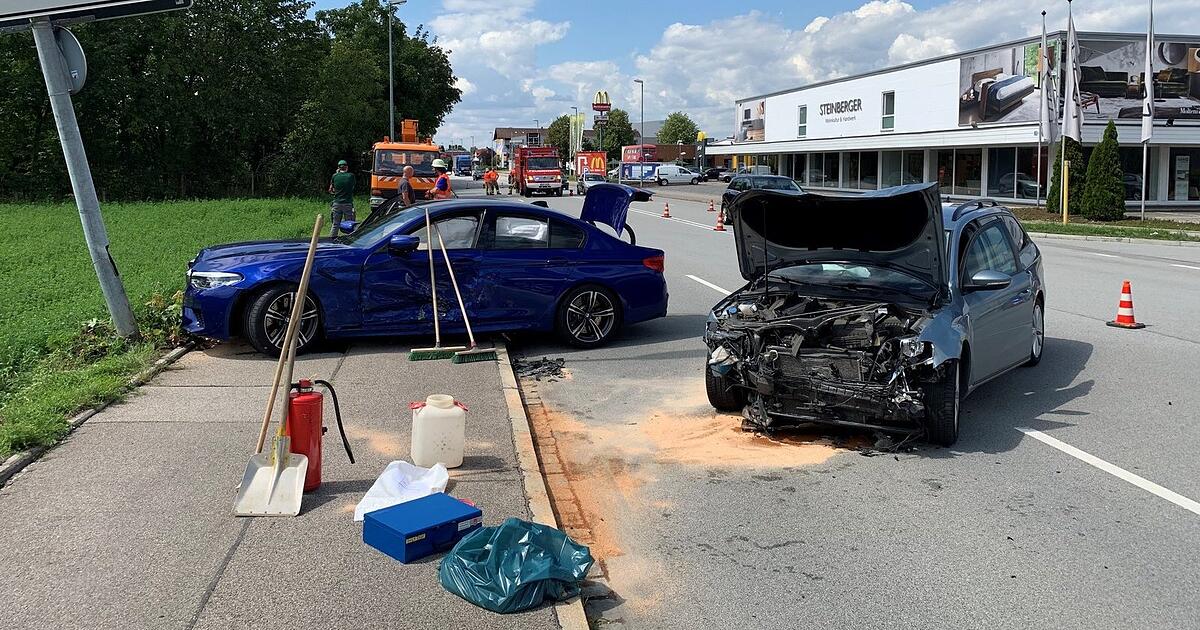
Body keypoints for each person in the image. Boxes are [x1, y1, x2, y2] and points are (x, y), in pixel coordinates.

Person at [328, 159, 355, 237]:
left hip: (337, 203)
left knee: (335, 224)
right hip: (347, 203)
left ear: (339, 168)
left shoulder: (334, 176)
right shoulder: (351, 176)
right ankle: (350, 240)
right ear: (346, 167)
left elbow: (331, 190)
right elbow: (352, 187)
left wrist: (337, 173)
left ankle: (332, 240)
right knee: (349, 224)